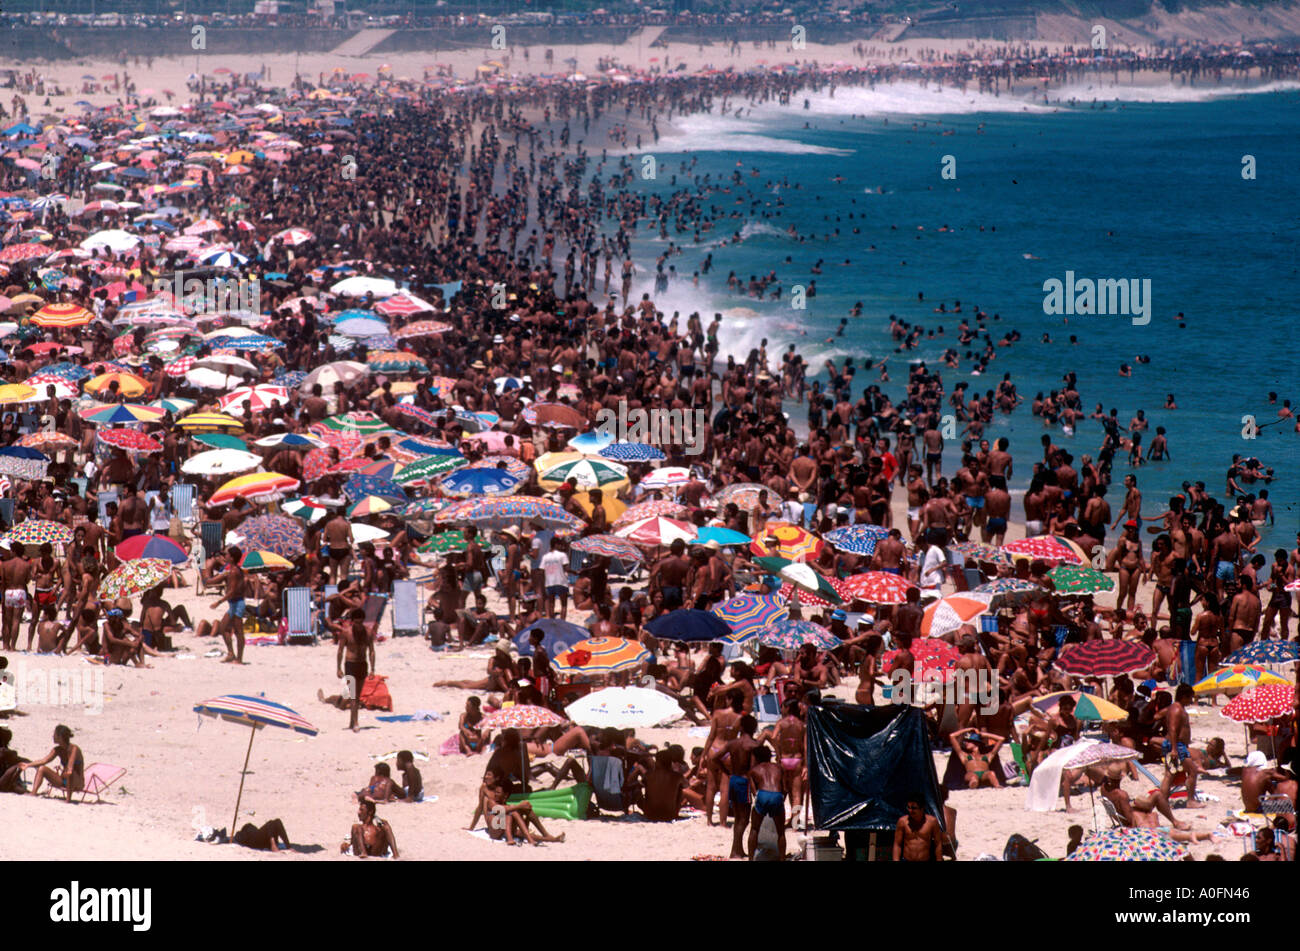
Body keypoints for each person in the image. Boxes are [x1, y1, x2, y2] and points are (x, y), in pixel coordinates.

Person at [334, 607, 374, 733]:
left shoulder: (368, 632)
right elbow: (340, 651)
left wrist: (373, 669)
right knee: (353, 695)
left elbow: (371, 651)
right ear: (352, 622)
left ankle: (352, 720)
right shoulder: (346, 633)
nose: (358, 625)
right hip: (350, 664)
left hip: (362, 664)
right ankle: (356, 722)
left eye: (360, 622)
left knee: (357, 695)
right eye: (356, 623)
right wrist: (338, 668)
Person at [747, 746, 787, 861]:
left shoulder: (754, 770)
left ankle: (750, 859)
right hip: (777, 795)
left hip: (763, 794)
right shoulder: (779, 768)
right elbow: (785, 789)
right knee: (781, 832)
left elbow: (754, 792)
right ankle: (782, 858)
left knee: (754, 829)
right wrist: (780, 801)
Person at [26, 725, 84, 802]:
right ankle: (33, 793)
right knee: (42, 768)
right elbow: (44, 760)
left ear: (60, 737)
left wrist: (67, 772)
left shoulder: (74, 749)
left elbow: (70, 766)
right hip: (63, 780)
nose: (53, 736)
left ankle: (68, 800)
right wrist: (27, 765)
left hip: (76, 782)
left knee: (70, 773)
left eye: (54, 734)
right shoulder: (57, 750)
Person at [893, 796, 942, 861]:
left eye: (913, 808)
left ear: (922, 808)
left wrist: (939, 859)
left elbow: (938, 844)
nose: (910, 810)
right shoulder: (902, 822)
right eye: (908, 807)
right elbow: (897, 844)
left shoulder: (932, 822)